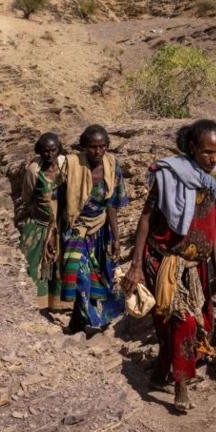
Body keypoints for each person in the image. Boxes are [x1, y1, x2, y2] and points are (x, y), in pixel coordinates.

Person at [123, 119, 216, 414]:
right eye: (207, 153)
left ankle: (161, 370)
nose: (213, 159)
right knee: (180, 323)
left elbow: (215, 226)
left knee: (199, 326)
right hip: (166, 262)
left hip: (198, 265)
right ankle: (181, 385)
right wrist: (135, 266)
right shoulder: (169, 175)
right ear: (191, 148)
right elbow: (146, 218)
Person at [59, 124, 129, 335]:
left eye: (102, 146)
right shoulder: (71, 166)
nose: (97, 152)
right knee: (80, 275)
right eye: (92, 147)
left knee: (102, 276)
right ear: (83, 147)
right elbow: (59, 202)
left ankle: (78, 321)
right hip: (75, 229)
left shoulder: (112, 165)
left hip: (101, 229)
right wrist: (53, 235)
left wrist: (116, 238)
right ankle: (94, 321)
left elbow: (112, 205)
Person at [18, 132, 66, 311]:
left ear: (58, 149)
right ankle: (41, 305)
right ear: (39, 151)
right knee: (38, 265)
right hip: (40, 226)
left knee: (61, 265)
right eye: (45, 151)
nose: (49, 154)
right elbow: (27, 197)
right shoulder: (33, 171)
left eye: (53, 150)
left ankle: (61, 304)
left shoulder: (65, 167)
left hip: (62, 225)